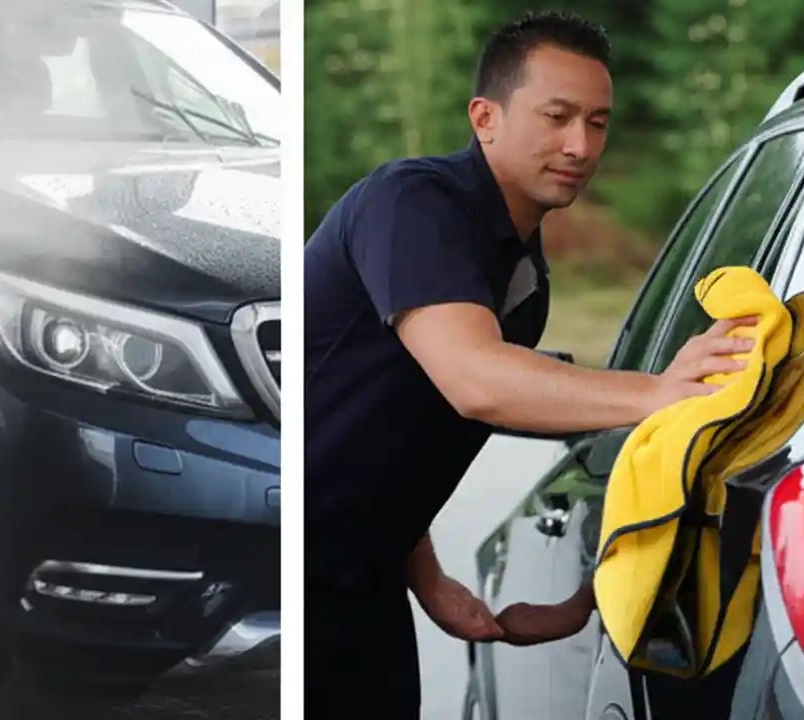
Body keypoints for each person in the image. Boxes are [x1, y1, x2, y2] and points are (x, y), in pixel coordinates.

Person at [303, 9, 757, 718]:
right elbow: (477, 381)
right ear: (485, 117)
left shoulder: (521, 278)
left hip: (363, 584)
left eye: (598, 123)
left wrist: (428, 579)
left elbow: (389, 437)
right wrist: (661, 392)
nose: (580, 144)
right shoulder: (410, 205)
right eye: (557, 116)